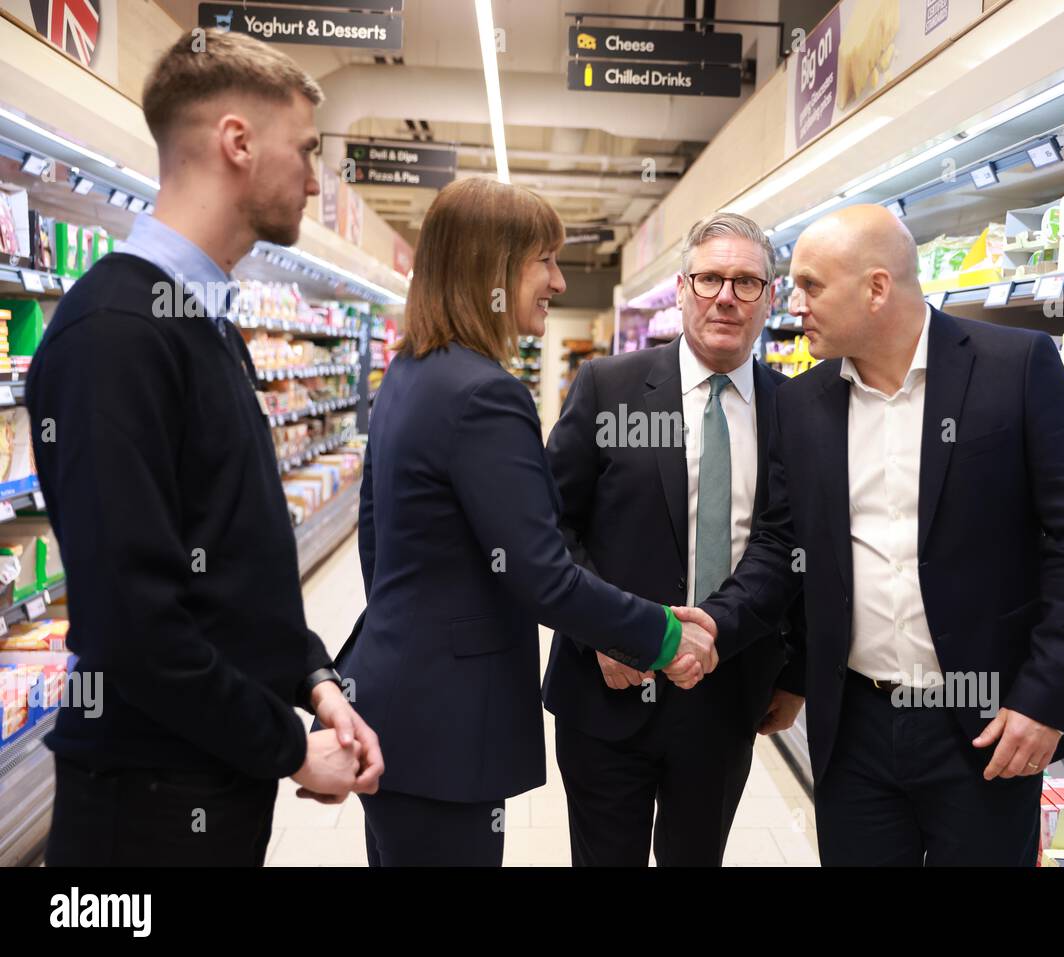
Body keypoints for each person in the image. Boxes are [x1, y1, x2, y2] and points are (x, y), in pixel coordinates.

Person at [28, 32, 382, 867]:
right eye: (306, 151)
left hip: (207, 778)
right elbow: (132, 623)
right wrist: (292, 748)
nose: (312, 178)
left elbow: (232, 554)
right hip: (144, 805)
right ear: (236, 142)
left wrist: (314, 680)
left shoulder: (200, 319)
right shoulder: (117, 334)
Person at [684, 204, 1064, 866]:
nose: (793, 305)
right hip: (855, 725)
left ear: (877, 288)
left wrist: (1044, 698)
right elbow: (780, 547)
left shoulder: (1016, 368)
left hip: (987, 725)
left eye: (811, 286)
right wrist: (714, 625)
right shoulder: (802, 403)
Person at [338, 177, 716, 867]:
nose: (558, 281)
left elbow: (374, 532)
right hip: (445, 729)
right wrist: (662, 633)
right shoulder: (485, 393)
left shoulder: (411, 372)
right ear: (492, 266)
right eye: (544, 259)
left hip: (398, 699)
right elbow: (542, 574)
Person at [543, 213, 805, 866]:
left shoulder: (795, 411)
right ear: (683, 288)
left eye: (747, 282)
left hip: (724, 694)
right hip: (609, 686)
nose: (726, 295)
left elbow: (793, 549)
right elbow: (551, 526)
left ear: (771, 297)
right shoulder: (610, 387)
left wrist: (781, 664)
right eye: (711, 277)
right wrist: (605, 629)